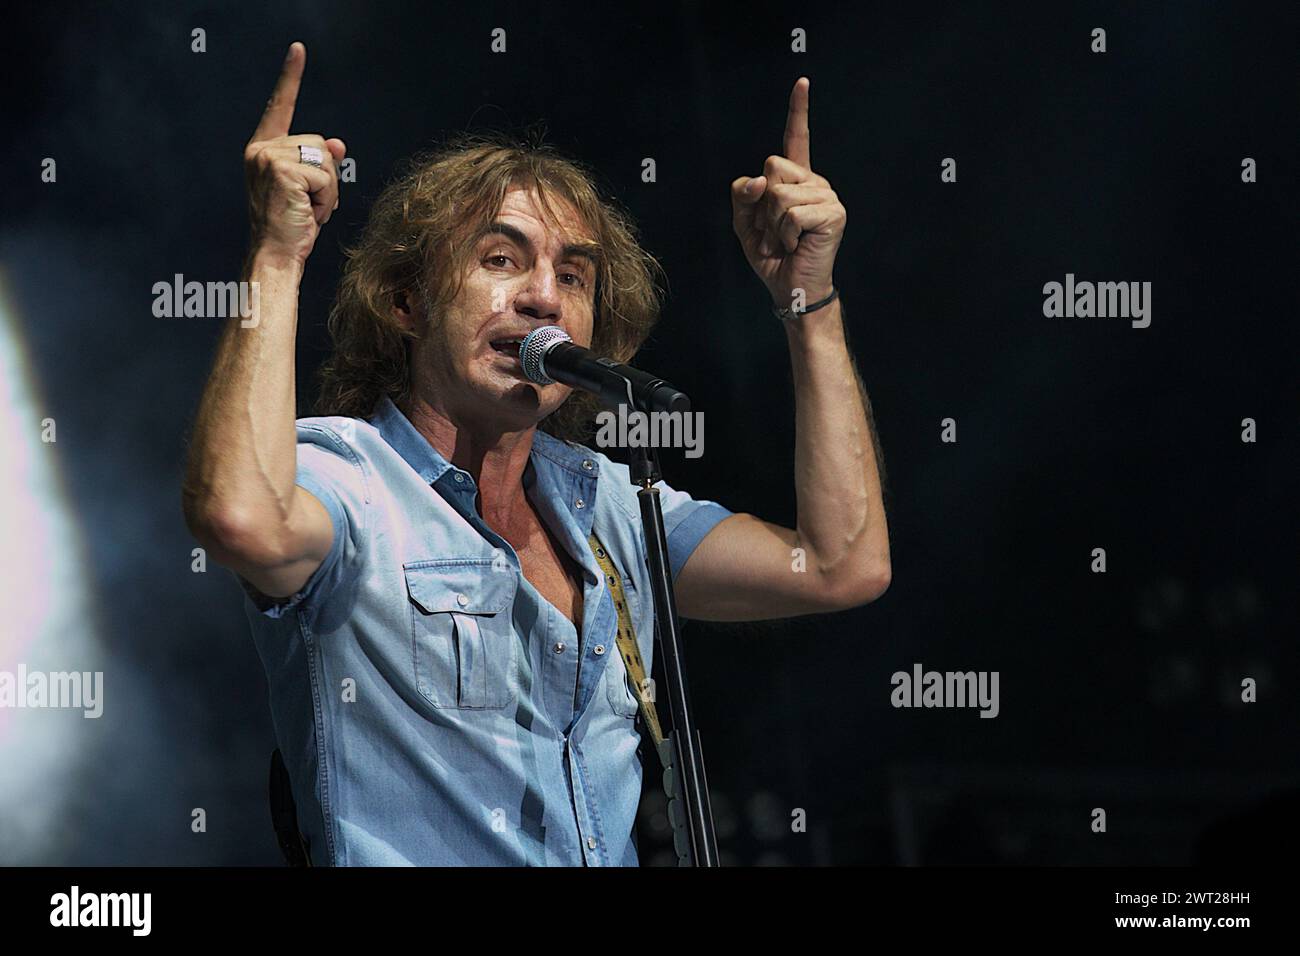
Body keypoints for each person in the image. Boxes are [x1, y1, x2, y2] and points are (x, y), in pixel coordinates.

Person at [182, 41, 891, 866]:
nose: (545, 296)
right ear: (406, 302)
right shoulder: (353, 480)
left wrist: (808, 297)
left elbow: (843, 565)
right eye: (500, 259)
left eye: (576, 276)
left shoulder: (614, 509)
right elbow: (239, 518)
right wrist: (276, 252)